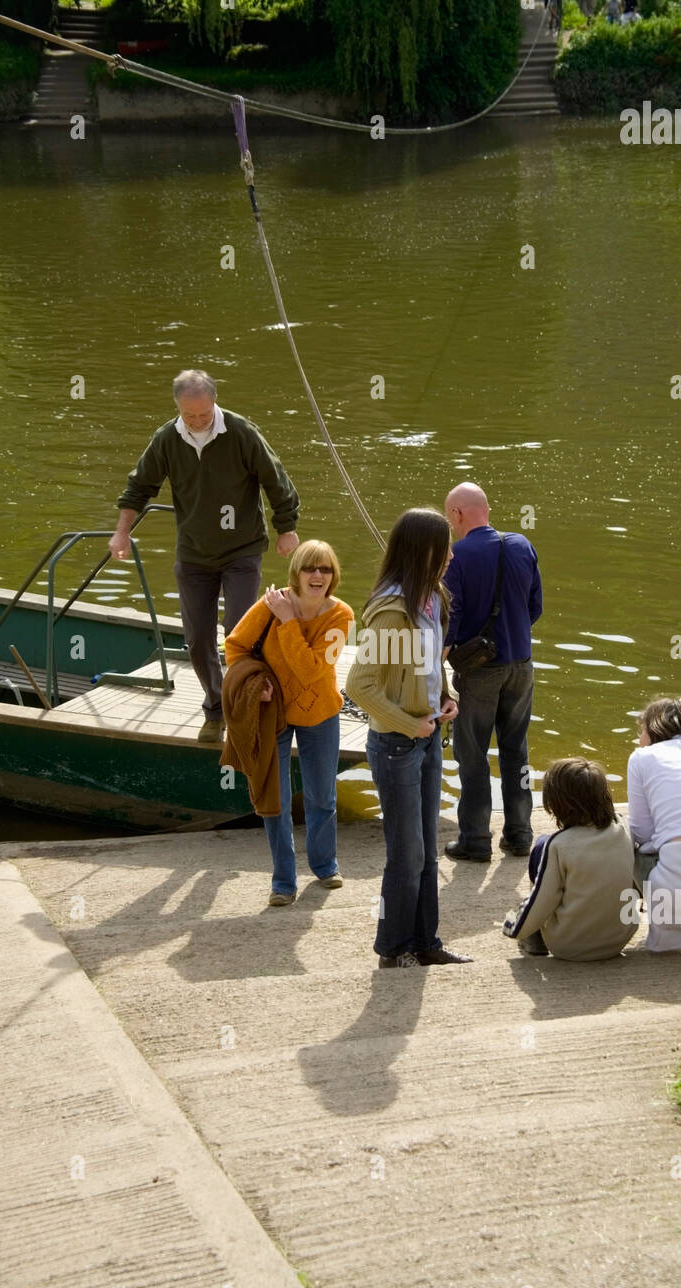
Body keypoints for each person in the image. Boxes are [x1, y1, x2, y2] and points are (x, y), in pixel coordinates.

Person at [110, 369, 300, 742]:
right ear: (178, 408)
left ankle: (247, 702)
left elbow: (275, 479)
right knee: (197, 638)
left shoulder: (241, 432)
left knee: (238, 632)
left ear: (214, 402)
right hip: (194, 553)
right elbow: (140, 485)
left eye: (203, 414)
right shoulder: (167, 438)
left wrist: (286, 527)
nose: (197, 422)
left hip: (241, 550)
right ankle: (216, 704)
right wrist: (121, 532)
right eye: (189, 415)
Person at [345, 509, 472, 968]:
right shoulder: (393, 613)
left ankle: (426, 943)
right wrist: (407, 723)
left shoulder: (431, 598)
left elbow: (429, 666)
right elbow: (360, 686)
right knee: (406, 854)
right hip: (398, 744)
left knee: (427, 851)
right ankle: (391, 948)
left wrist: (448, 696)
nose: (452, 556)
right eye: (445, 548)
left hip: (427, 737)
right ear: (424, 552)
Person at [224, 540, 353, 906]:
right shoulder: (268, 606)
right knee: (274, 800)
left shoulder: (340, 616)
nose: (317, 575)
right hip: (271, 713)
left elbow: (312, 671)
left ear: (334, 575)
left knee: (322, 797)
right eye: (310, 568)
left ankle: (325, 864)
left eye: (325, 569)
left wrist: (289, 621)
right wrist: (256, 684)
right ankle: (283, 881)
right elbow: (234, 647)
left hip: (320, 714)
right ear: (295, 571)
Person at [442, 483, 543, 862]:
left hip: (480, 671)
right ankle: (520, 835)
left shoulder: (458, 555)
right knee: (516, 749)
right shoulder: (522, 545)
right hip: (522, 665)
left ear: (457, 515)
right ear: (487, 508)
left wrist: (438, 663)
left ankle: (475, 839)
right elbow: (535, 607)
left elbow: (453, 618)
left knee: (472, 754)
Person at [503, 757, 636, 960]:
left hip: (569, 946)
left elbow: (543, 900)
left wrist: (512, 926)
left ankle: (533, 936)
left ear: (557, 804)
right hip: (619, 939)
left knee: (540, 847)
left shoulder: (558, 845)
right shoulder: (623, 827)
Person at [627, 698, 681, 952]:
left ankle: (616, 924)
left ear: (653, 730)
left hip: (670, 899)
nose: (639, 739)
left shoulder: (642, 758)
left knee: (621, 837)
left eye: (640, 731)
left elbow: (641, 833)